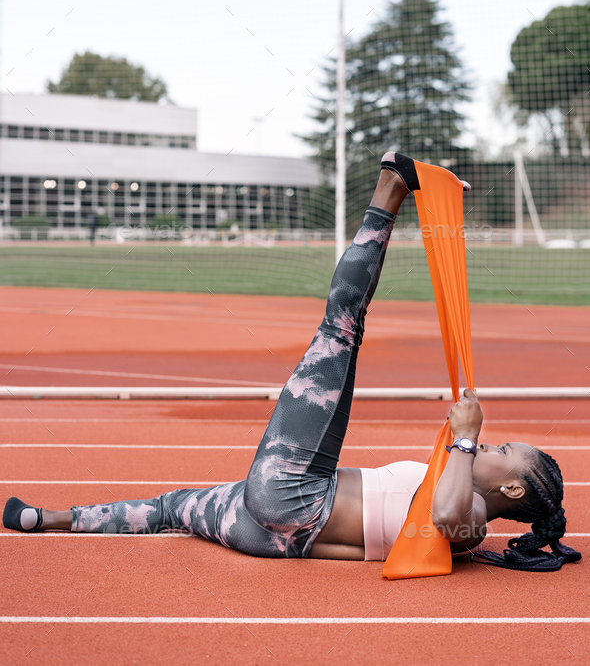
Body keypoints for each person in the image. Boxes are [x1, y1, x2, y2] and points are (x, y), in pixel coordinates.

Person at [3, 154, 581, 573]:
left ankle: (390, 189)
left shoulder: (471, 518)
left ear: (511, 488)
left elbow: (449, 518)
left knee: (341, 328)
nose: (492, 445)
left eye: (505, 450)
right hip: (270, 534)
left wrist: (466, 438)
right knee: (168, 508)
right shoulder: (464, 505)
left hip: (293, 491)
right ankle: (51, 519)